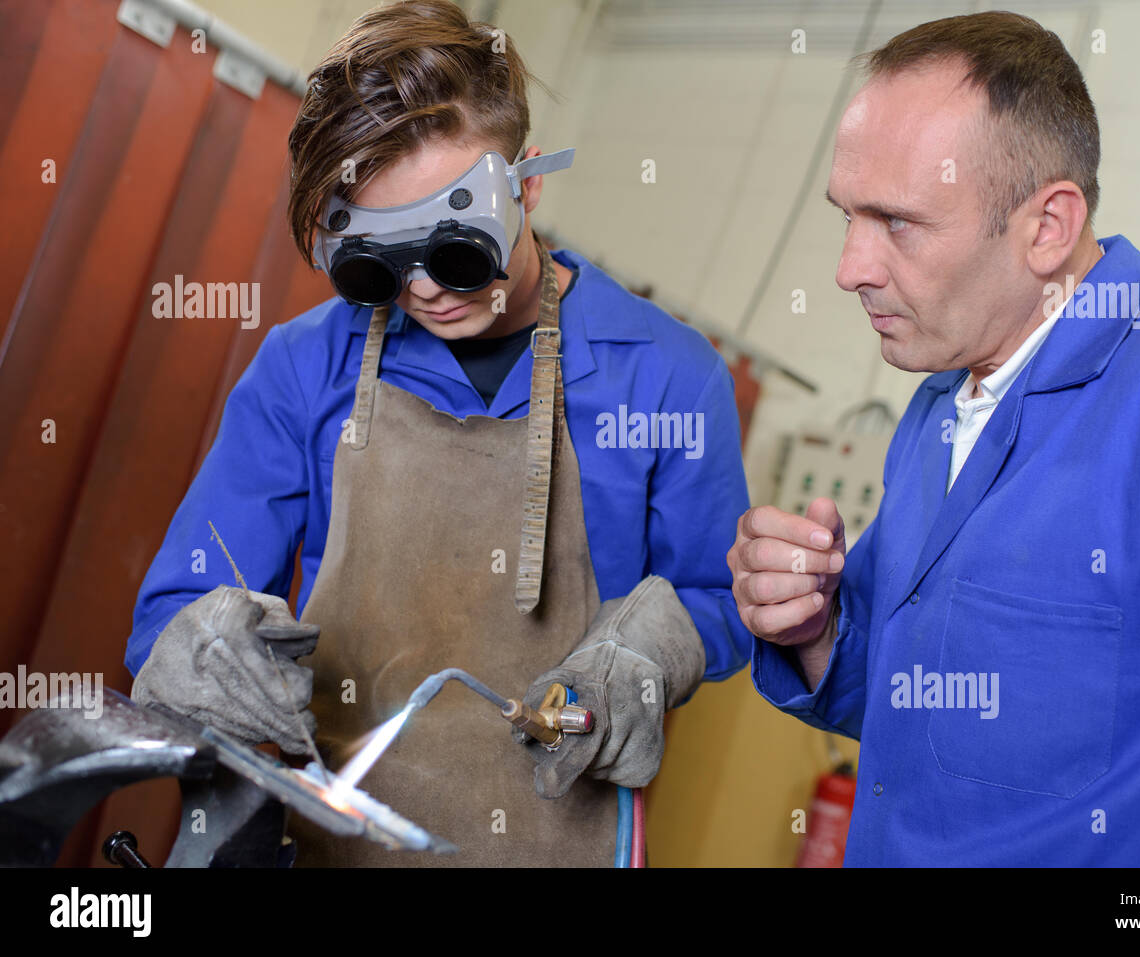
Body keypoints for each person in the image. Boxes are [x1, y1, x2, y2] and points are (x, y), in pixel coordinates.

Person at [126, 0, 750, 867]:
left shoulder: (667, 373)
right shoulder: (304, 367)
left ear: (527, 184)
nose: (423, 289)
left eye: (456, 248)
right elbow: (177, 605)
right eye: (385, 262)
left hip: (553, 836)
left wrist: (650, 654)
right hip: (328, 835)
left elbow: (721, 599)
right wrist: (206, 646)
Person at [728, 11, 1140, 866]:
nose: (850, 268)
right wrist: (813, 632)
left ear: (1047, 227)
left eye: (897, 222)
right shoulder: (937, 409)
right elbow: (910, 708)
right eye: (846, 216)